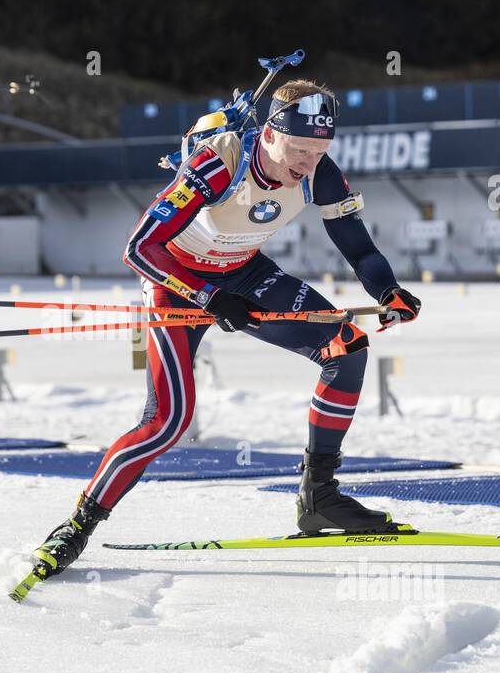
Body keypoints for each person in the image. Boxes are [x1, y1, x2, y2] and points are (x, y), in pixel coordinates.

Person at [26, 79, 422, 582]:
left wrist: (387, 291)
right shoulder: (221, 163)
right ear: (271, 134)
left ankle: (319, 496)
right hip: (177, 281)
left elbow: (360, 249)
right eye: (300, 150)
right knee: (167, 421)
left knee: (347, 346)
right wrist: (209, 299)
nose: (308, 162)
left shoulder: (320, 174)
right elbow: (141, 249)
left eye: (321, 150)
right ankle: (77, 525)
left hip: (243, 272)